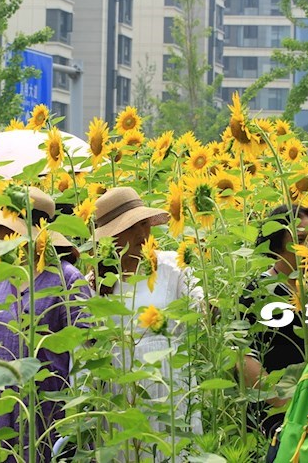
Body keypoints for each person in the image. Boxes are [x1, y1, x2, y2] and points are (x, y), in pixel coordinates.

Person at [0, 187, 92, 463]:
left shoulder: (67, 280)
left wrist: (76, 422)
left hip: (44, 415)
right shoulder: (1, 276)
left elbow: (83, 353)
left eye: (3, 229)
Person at [92, 187, 204, 446]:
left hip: (168, 383)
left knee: (172, 446)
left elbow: (198, 308)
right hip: (121, 389)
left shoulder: (170, 267)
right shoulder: (98, 282)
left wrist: (208, 308)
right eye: (131, 228)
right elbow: (89, 344)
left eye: (144, 224)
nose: (142, 234)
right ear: (111, 237)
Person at [240, 204, 308, 435]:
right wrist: (283, 404)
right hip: (274, 415)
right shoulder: (259, 290)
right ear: (277, 241)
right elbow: (244, 357)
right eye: (300, 239)